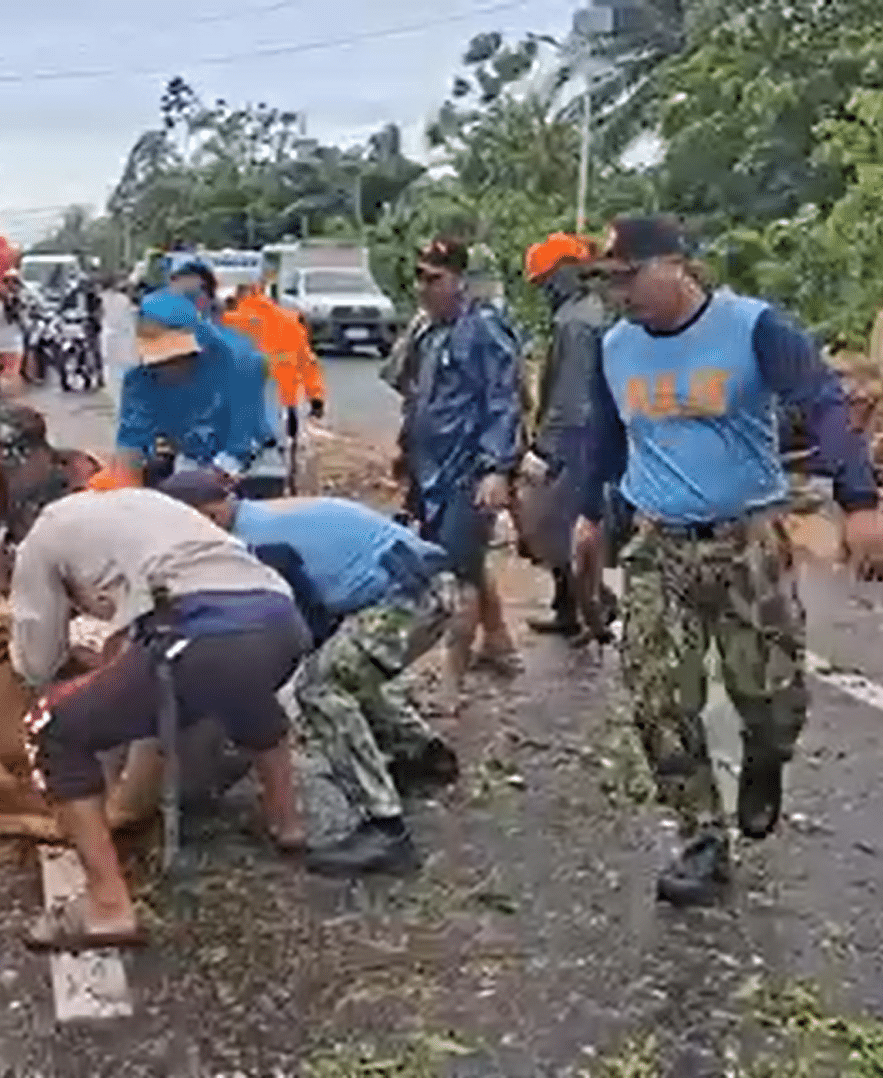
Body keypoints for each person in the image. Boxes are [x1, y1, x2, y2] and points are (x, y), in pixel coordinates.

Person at [572, 214, 883, 906]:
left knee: (772, 700)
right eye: (610, 282)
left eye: (630, 277)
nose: (622, 295)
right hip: (659, 543)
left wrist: (860, 503)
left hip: (749, 537)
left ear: (677, 264)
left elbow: (826, 407)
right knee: (658, 700)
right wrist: (589, 524)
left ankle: (766, 762)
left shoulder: (755, 328)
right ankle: (701, 839)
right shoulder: (614, 346)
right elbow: (604, 441)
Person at [9, 487, 313, 951]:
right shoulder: (145, 505)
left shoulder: (41, 540)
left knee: (52, 728)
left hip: (200, 632)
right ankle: (287, 824)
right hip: (282, 621)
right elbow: (132, 642)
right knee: (238, 690)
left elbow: (35, 660)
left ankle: (107, 909)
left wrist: (60, 655)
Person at [161, 473, 461, 876]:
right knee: (347, 668)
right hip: (426, 581)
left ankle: (385, 829)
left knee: (321, 688)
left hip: (409, 595)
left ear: (208, 513)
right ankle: (423, 755)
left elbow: (302, 621)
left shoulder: (258, 542)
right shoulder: (264, 514)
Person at [387, 238, 525, 708]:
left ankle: (451, 685)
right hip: (431, 472)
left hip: (468, 471)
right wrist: (406, 452)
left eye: (435, 278)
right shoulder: (427, 331)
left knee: (455, 575)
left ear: (460, 280)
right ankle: (499, 641)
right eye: (420, 277)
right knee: (463, 560)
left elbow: (504, 402)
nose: (424, 288)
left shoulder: (483, 330)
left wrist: (497, 468)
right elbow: (417, 399)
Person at [522, 232, 615, 642]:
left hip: (577, 439)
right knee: (556, 530)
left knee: (558, 528)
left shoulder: (577, 322)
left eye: (546, 281)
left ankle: (593, 606)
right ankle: (571, 608)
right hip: (582, 436)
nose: (544, 290)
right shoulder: (584, 313)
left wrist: (547, 449)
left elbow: (573, 397)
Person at [114, 289, 268, 488]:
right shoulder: (140, 381)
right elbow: (131, 445)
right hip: (187, 455)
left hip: (245, 456)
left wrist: (209, 479)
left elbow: (242, 440)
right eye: (160, 360)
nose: (168, 368)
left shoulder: (240, 364)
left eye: (176, 358)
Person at [0, 402, 102, 589]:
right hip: (30, 568)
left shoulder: (79, 471)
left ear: (36, 452)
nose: (9, 470)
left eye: (14, 463)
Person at [225, 280, 326, 489]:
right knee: (282, 452)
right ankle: (283, 490)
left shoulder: (227, 321)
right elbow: (307, 362)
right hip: (283, 398)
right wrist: (316, 398)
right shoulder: (289, 320)